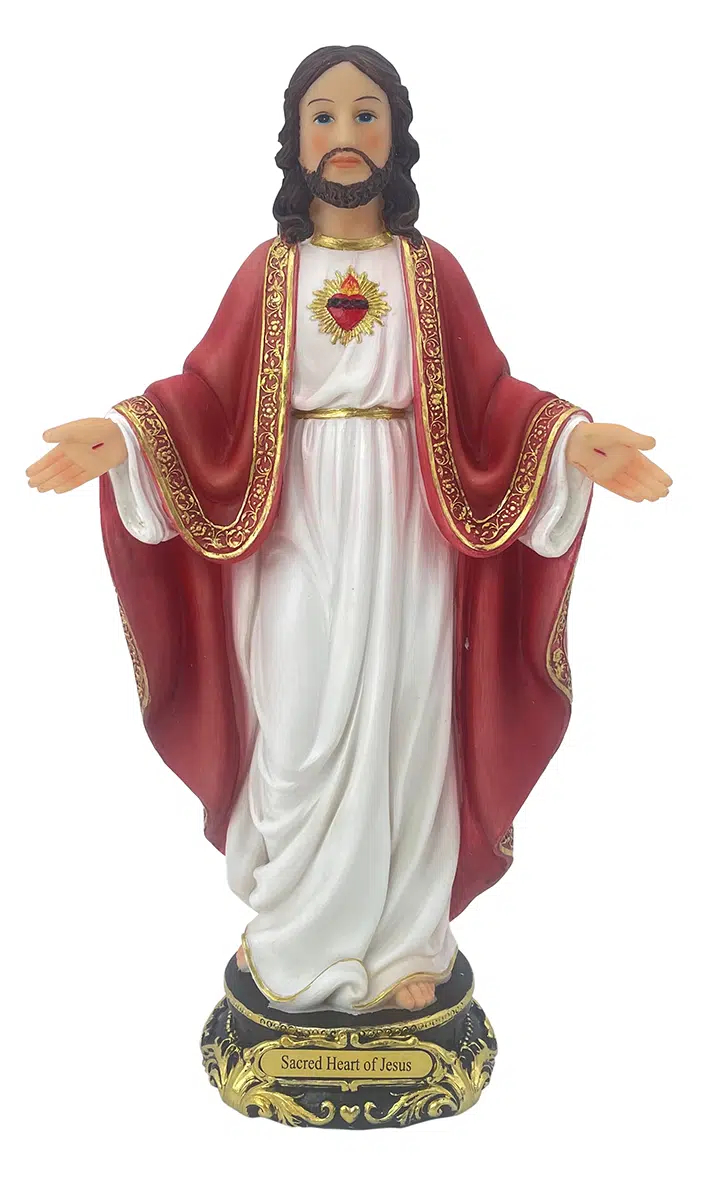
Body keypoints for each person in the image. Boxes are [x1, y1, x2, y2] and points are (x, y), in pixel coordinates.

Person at [25, 46, 672, 1015]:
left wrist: (568, 439)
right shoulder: (271, 270)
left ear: (396, 135)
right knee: (294, 719)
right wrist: (123, 435)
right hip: (293, 517)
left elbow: (491, 397)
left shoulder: (429, 271)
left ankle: (406, 943)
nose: (343, 134)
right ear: (293, 140)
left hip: (407, 526)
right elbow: (205, 393)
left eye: (365, 114)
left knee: (406, 719)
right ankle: (293, 931)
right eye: (321, 116)